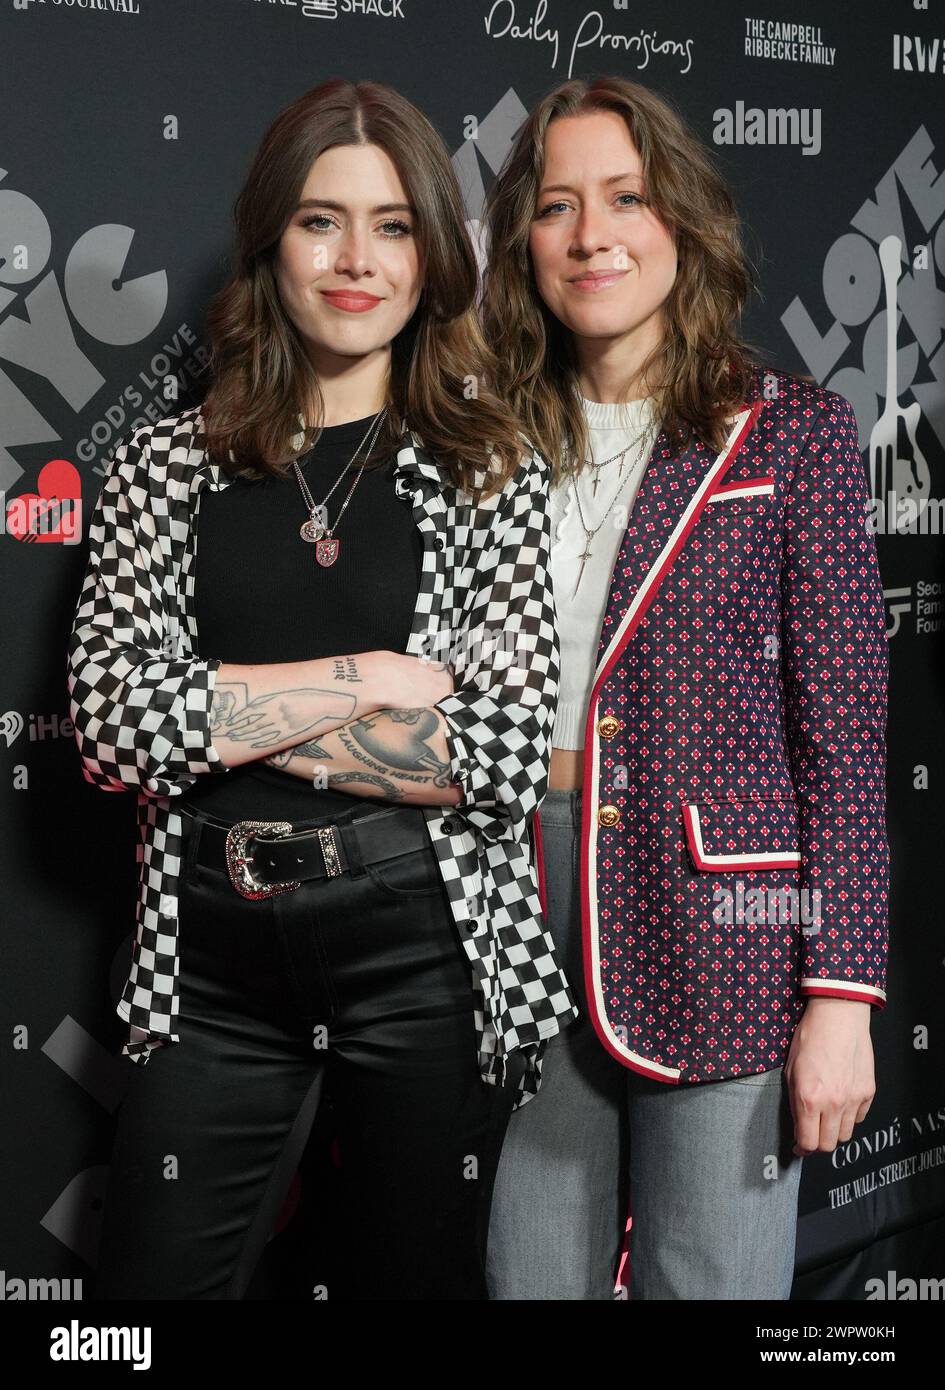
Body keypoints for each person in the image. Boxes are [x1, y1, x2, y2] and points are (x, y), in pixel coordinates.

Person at [66, 78, 576, 1301]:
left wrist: (224, 715)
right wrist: (362, 681)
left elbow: (499, 752)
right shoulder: (162, 467)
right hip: (211, 956)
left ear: (432, 255)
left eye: (394, 224)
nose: (358, 259)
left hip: (428, 941)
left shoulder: (487, 464)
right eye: (320, 221)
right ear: (269, 242)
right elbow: (109, 723)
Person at [480, 76, 890, 1300]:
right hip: (513, 903)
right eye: (556, 206)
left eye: (626, 197)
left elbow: (848, 741)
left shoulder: (789, 432)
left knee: (706, 1280)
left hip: (724, 932)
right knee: (530, 1277)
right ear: (523, 243)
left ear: (683, 222)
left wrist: (843, 996)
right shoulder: (481, 436)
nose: (591, 233)